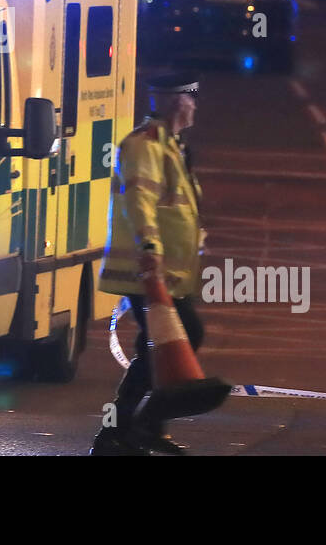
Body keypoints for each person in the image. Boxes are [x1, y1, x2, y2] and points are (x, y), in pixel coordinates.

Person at [92, 72, 207, 456]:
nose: (195, 107)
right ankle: (141, 425)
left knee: (156, 346)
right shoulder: (146, 145)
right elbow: (139, 198)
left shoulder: (171, 146)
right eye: (192, 100)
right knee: (184, 334)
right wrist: (151, 244)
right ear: (178, 102)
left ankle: (124, 433)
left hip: (166, 275)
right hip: (146, 272)